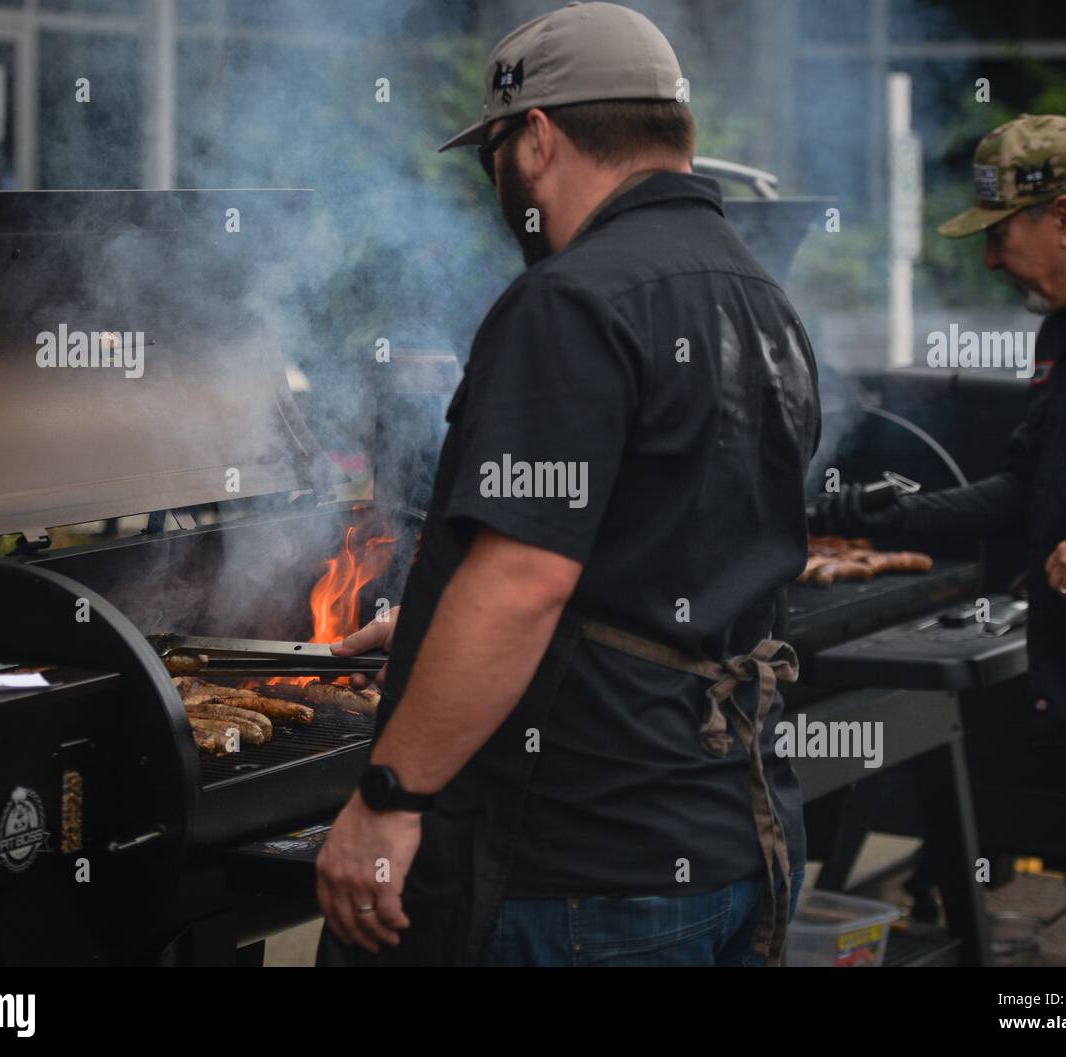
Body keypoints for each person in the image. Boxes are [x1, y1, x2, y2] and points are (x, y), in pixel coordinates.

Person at [315, 1, 820, 967]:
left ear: (536, 138)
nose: (495, 183)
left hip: (586, 869)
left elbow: (523, 586)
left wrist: (387, 801)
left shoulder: (571, 300)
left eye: (491, 154)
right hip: (732, 839)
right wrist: (424, 636)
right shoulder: (762, 296)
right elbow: (651, 544)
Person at [813, 113, 1066, 966]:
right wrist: (884, 519)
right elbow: (1026, 489)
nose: (986, 260)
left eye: (998, 235)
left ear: (1064, 217)